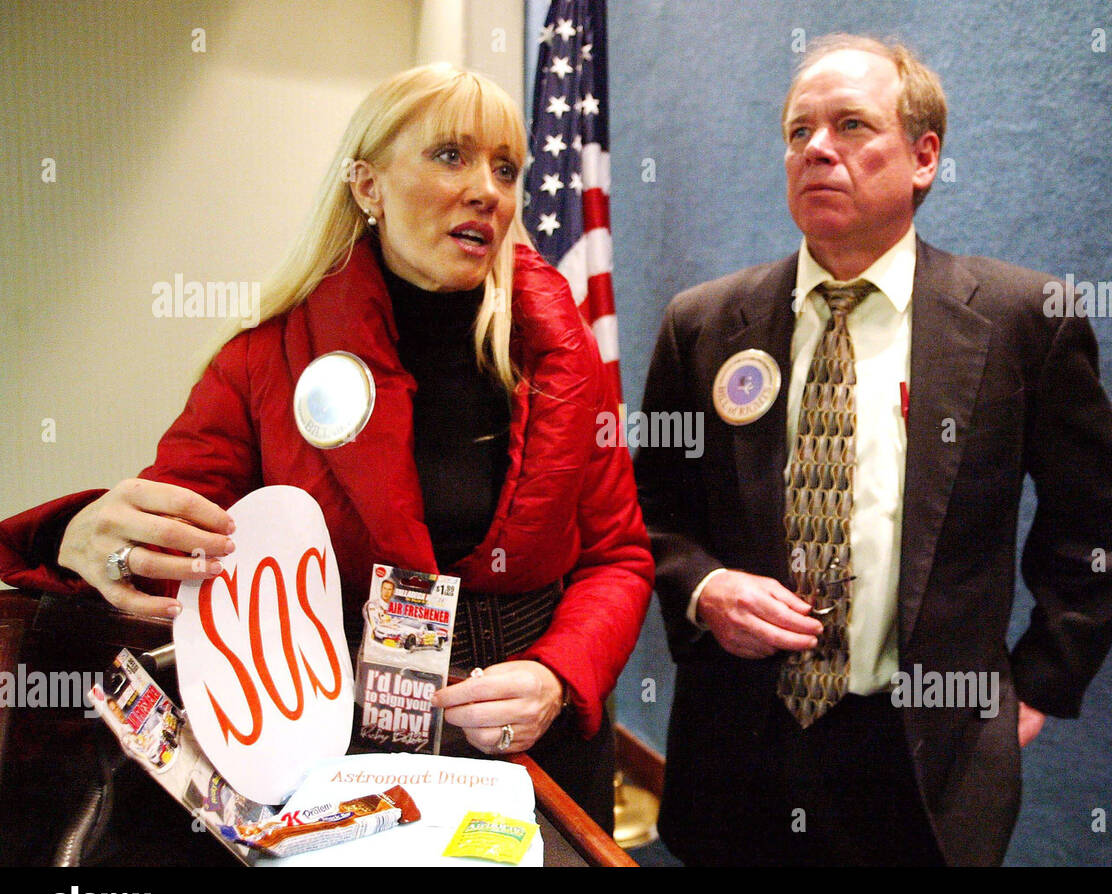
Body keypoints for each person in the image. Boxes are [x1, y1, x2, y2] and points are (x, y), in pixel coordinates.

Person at [0, 64, 653, 831]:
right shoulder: (264, 361)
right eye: (451, 156)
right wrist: (83, 536)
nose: (488, 191)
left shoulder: (560, 350)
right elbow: (160, 543)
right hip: (344, 745)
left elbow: (619, 556)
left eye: (505, 169)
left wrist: (558, 674)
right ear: (367, 185)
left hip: (539, 741)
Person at [634, 35, 1112, 865]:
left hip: (926, 759)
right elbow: (650, 508)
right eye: (799, 132)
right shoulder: (703, 324)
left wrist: (1038, 684)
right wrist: (704, 586)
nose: (818, 150)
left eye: (851, 126)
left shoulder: (1023, 319)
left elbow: (1097, 521)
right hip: (740, 745)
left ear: (923, 156)